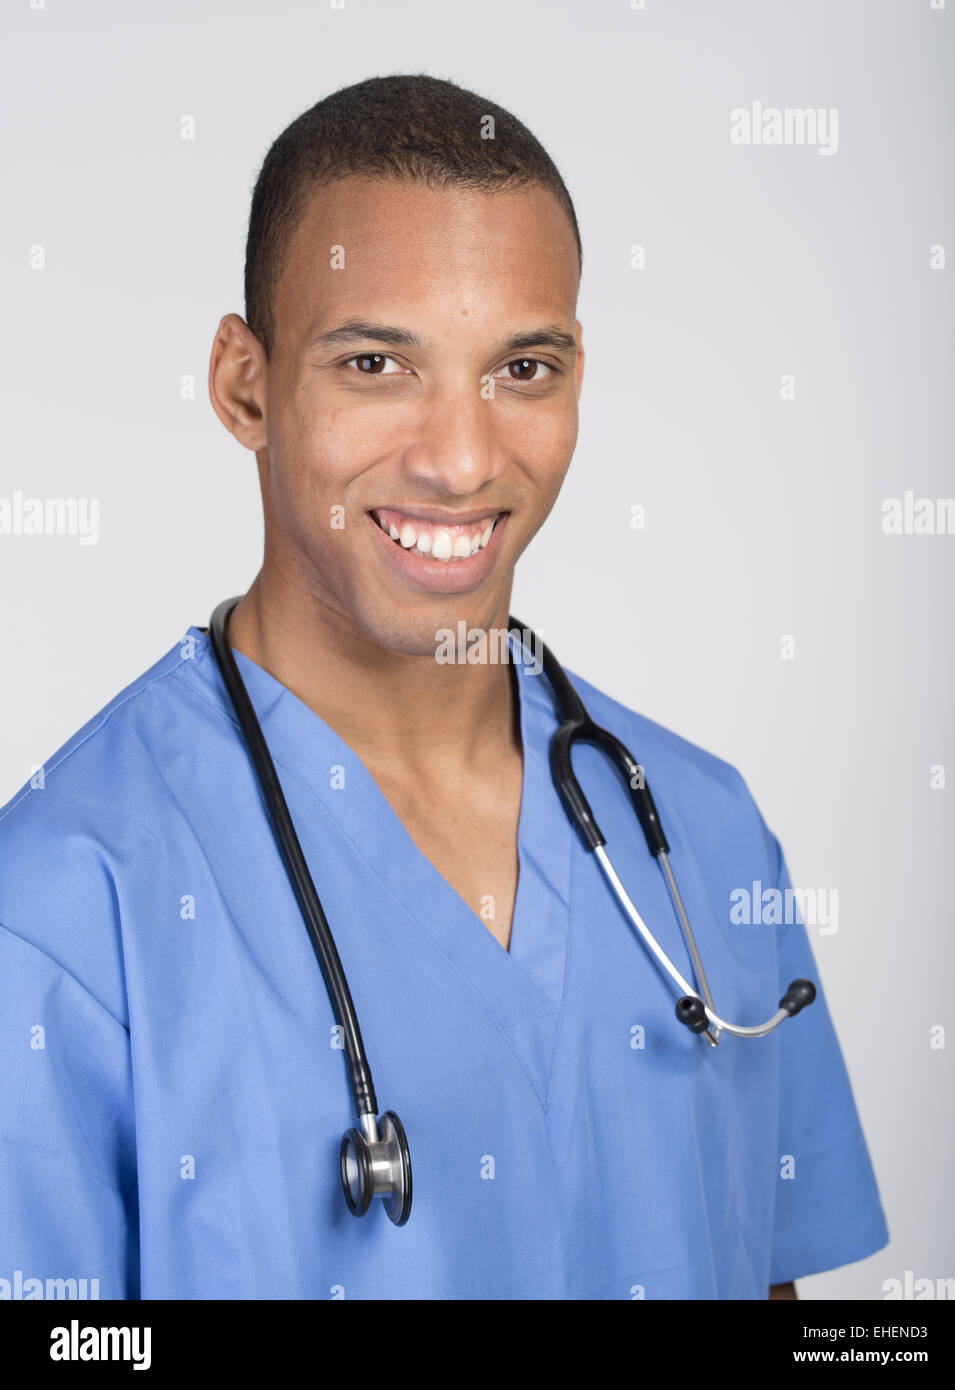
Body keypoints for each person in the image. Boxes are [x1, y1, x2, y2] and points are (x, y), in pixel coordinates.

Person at [0, 74, 888, 1300]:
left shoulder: (699, 834)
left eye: (523, 368)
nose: (463, 459)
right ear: (244, 386)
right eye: (377, 362)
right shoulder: (58, 907)